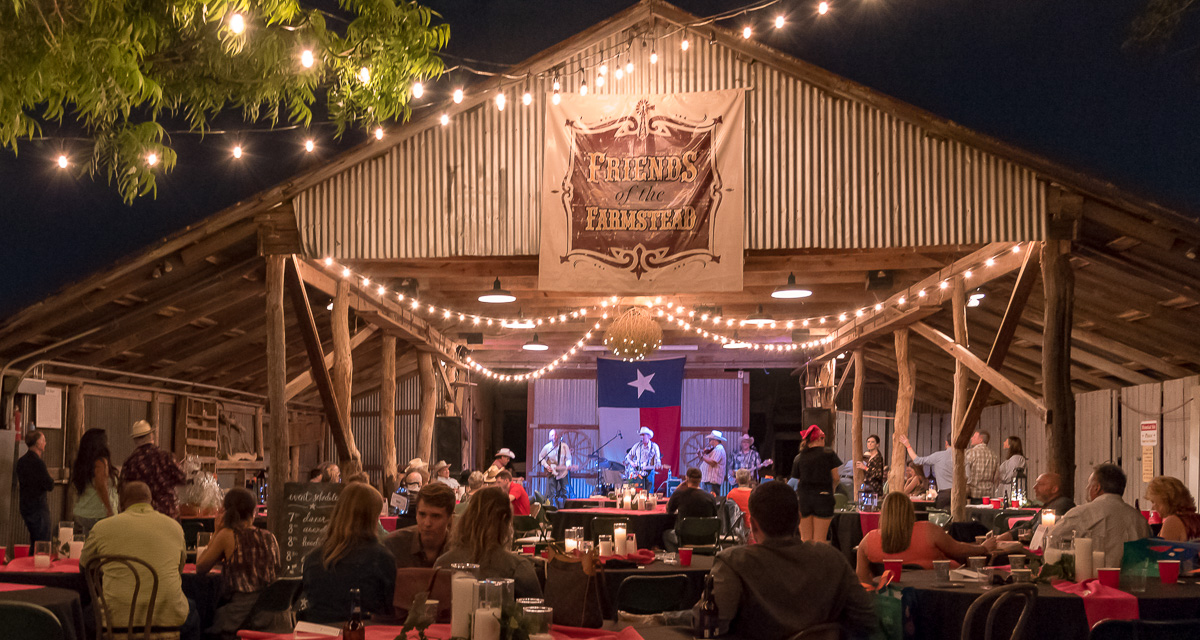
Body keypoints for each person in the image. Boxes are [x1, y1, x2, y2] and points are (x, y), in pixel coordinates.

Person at [686, 481, 877, 639]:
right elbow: (867, 619)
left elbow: (708, 622)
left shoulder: (734, 562)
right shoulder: (832, 558)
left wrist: (666, 619)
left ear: (753, 525)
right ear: (798, 519)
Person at [80, 482, 197, 638]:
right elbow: (178, 570)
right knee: (193, 610)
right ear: (151, 501)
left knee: (83, 614)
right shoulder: (174, 527)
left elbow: (85, 566)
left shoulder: (101, 527)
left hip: (113, 622)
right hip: (168, 623)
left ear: (121, 504)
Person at [301, 483, 396, 624]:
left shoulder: (313, 558)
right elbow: (389, 611)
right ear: (372, 518)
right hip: (364, 634)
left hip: (317, 634)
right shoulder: (381, 558)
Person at [856, 492, 996, 583]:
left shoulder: (867, 541)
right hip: (936, 597)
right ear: (910, 511)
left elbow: (862, 579)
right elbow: (958, 549)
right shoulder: (928, 530)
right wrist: (983, 548)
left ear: (883, 513)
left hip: (889, 602)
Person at [196, 488, 280, 635]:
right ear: (253, 512)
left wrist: (216, 531)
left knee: (203, 622)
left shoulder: (227, 535)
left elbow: (201, 567)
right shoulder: (270, 537)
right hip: (272, 615)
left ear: (226, 511)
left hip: (239, 616)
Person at [433, 487, 541, 598]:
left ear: (467, 517)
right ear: (506, 520)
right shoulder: (518, 568)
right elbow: (534, 613)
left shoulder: (442, 564)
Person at [1050, 463, 1150, 567]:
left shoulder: (1081, 513)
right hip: (1134, 581)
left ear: (1097, 488)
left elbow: (1051, 540)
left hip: (1091, 579)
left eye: (1089, 484)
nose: (1087, 488)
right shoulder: (1140, 520)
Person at [120, 419, 186, 518]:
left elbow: (123, 490)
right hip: (167, 512)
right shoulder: (166, 457)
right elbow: (182, 479)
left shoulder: (130, 463)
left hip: (142, 515)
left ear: (135, 440)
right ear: (151, 436)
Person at [385, 482, 456, 567]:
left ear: (449, 518)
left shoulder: (458, 550)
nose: (427, 523)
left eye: (436, 516)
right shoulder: (394, 545)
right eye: (422, 514)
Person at [790, 425, 841, 543]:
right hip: (823, 497)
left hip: (804, 499)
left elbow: (798, 481)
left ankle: (805, 561)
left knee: (805, 539)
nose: (824, 441)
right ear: (818, 439)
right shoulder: (829, 453)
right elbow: (836, 477)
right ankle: (819, 561)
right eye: (823, 438)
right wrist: (832, 490)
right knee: (820, 540)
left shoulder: (799, 457)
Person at [71, 428, 119, 535]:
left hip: (83, 513)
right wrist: (109, 509)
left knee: (88, 545)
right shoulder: (101, 462)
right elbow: (101, 485)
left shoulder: (82, 462)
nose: (108, 443)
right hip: (98, 514)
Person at [663, 468, 718, 551]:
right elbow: (714, 517)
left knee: (666, 534)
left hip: (685, 538)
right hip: (707, 538)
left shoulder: (679, 494)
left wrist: (678, 488)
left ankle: (679, 555)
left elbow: (669, 510)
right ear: (701, 479)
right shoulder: (710, 497)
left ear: (686, 478)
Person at [17, 428, 54, 543]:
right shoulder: (38, 463)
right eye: (43, 440)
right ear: (38, 443)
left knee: (34, 540)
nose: (45, 443)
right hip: (38, 508)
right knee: (42, 542)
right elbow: (49, 485)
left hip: (25, 506)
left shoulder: (21, 461)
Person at [900, 436, 953, 508]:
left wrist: (907, 445)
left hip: (944, 494)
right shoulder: (964, 456)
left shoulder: (939, 456)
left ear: (946, 443)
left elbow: (918, 460)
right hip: (960, 494)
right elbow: (967, 478)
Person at [1144, 476, 1200, 542]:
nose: (1153, 507)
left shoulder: (1173, 521)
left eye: (1154, 502)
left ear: (1166, 500)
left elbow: (1163, 550)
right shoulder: (1196, 518)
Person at [538, 429, 572, 507]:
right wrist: (546, 466)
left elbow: (568, 458)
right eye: (552, 435)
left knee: (565, 491)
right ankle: (554, 510)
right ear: (549, 437)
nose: (554, 437)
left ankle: (566, 510)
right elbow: (540, 457)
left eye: (555, 435)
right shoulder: (547, 447)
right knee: (552, 493)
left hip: (563, 473)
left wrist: (568, 465)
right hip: (552, 472)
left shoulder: (564, 446)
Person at [965, 430, 999, 500]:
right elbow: (996, 477)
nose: (971, 438)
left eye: (974, 437)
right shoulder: (993, 455)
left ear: (981, 440)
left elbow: (964, 473)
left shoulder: (971, 453)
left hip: (973, 494)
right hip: (988, 495)